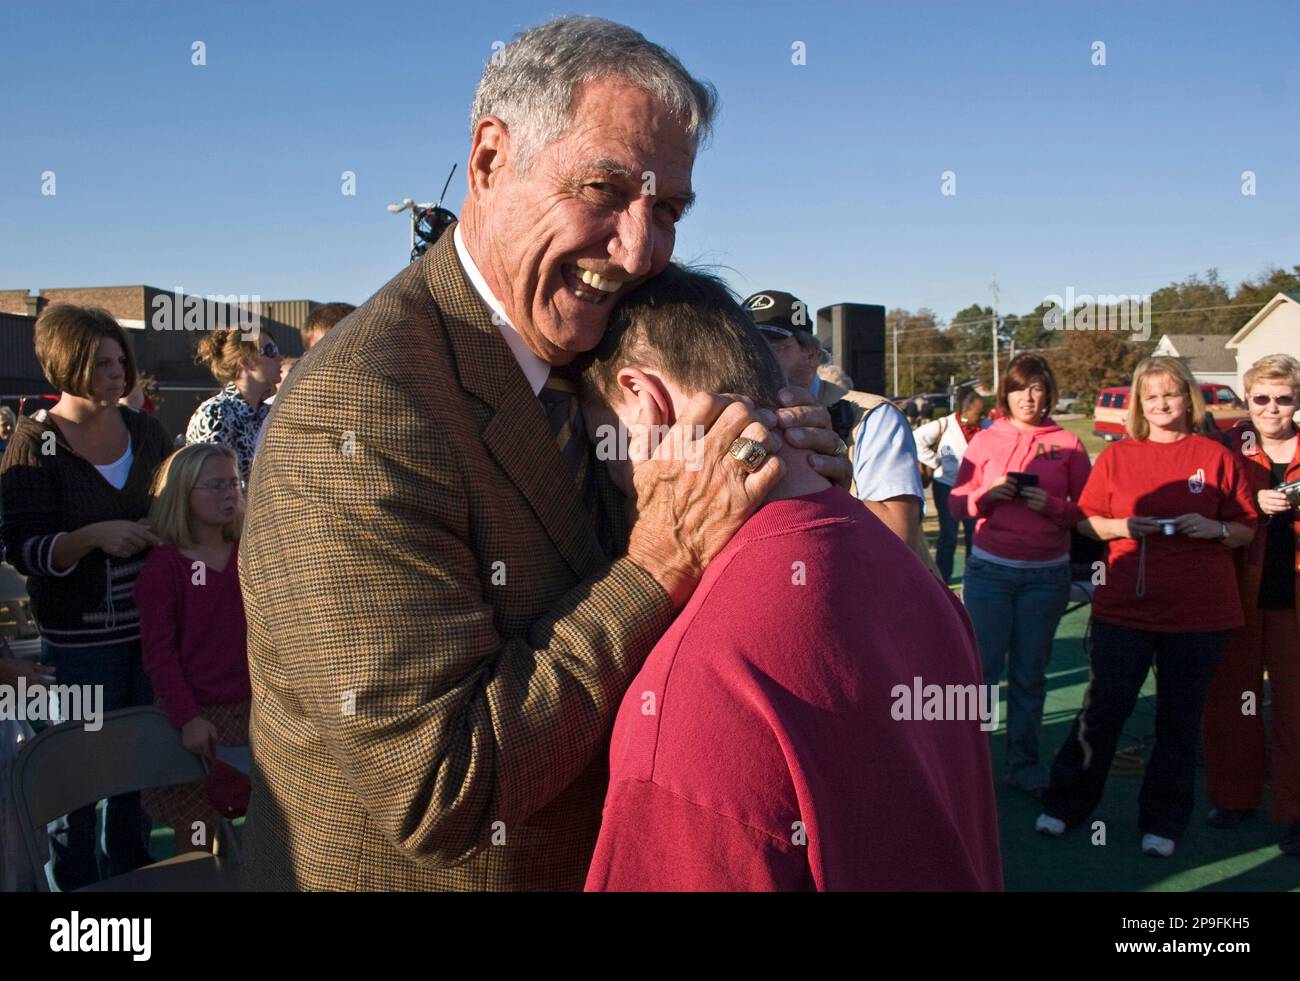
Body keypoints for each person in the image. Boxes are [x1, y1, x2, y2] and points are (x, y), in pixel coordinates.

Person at [238, 16, 850, 892]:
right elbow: (441, 790)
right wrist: (662, 560)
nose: (639, 248)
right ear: (489, 159)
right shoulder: (361, 410)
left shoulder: (580, 343)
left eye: (666, 209)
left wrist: (778, 477)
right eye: (603, 189)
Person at [581, 265, 1001, 890]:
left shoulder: (701, 680)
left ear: (644, 402)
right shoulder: (920, 582)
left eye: (595, 433)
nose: (599, 469)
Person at [1036, 356, 1256, 857]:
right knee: (1102, 711)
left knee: (1178, 722)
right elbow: (1088, 522)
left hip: (1200, 614)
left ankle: (1163, 822)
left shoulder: (1218, 455)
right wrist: (1124, 527)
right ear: (1138, 404)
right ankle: (1066, 804)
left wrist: (1216, 530)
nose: (1161, 404)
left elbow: (1245, 528)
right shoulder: (1117, 457)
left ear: (1188, 399)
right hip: (1124, 610)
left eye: (1171, 394)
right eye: (1151, 396)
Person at [0, 303, 171, 888]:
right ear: (64, 366)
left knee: (140, 773)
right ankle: (76, 898)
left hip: (152, 634)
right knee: (77, 782)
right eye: (100, 363)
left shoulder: (146, 431)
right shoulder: (35, 441)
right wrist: (90, 538)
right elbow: (22, 549)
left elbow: (177, 512)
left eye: (119, 360)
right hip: (79, 645)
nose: (116, 373)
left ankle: (132, 877)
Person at [949, 353, 1091, 796]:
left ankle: (1024, 765)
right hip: (991, 572)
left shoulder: (1068, 442)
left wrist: (1052, 507)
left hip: (1046, 576)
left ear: (1048, 391)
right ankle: (969, 769)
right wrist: (987, 497)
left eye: (1036, 388)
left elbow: (1090, 514)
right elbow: (956, 503)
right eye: (1018, 388)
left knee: (1031, 674)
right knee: (982, 673)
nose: (1028, 397)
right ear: (1005, 394)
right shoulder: (986, 441)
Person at [743, 289, 933, 571]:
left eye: (772, 346)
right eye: (745, 346)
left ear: (812, 354)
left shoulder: (871, 414)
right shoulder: (743, 417)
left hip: (883, 599)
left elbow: (897, 532)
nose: (754, 359)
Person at [1203, 353, 1300, 855]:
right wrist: (1250, 503)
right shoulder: (1228, 448)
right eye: (1261, 398)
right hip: (1238, 594)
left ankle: (1294, 809)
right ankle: (1235, 797)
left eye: (1283, 398)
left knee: (1294, 708)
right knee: (1233, 702)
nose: (1272, 408)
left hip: (1291, 599)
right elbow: (1206, 510)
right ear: (1247, 397)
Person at [135, 443, 251, 856]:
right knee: (197, 842)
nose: (229, 494)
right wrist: (188, 718)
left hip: (256, 713)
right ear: (184, 493)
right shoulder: (166, 567)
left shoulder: (247, 554)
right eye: (215, 485)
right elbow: (160, 656)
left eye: (233, 483)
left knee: (264, 834)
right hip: (199, 721)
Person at [185, 327, 282, 485]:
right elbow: (211, 485)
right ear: (245, 361)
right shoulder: (215, 414)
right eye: (270, 350)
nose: (280, 357)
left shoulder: (270, 415)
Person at [916, 388, 987, 583]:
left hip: (975, 489)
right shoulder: (944, 425)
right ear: (965, 410)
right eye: (978, 413)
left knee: (975, 535)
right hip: (947, 486)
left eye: (984, 413)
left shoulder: (986, 427)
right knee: (949, 535)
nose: (982, 417)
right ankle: (942, 580)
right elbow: (916, 440)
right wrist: (936, 462)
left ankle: (974, 578)